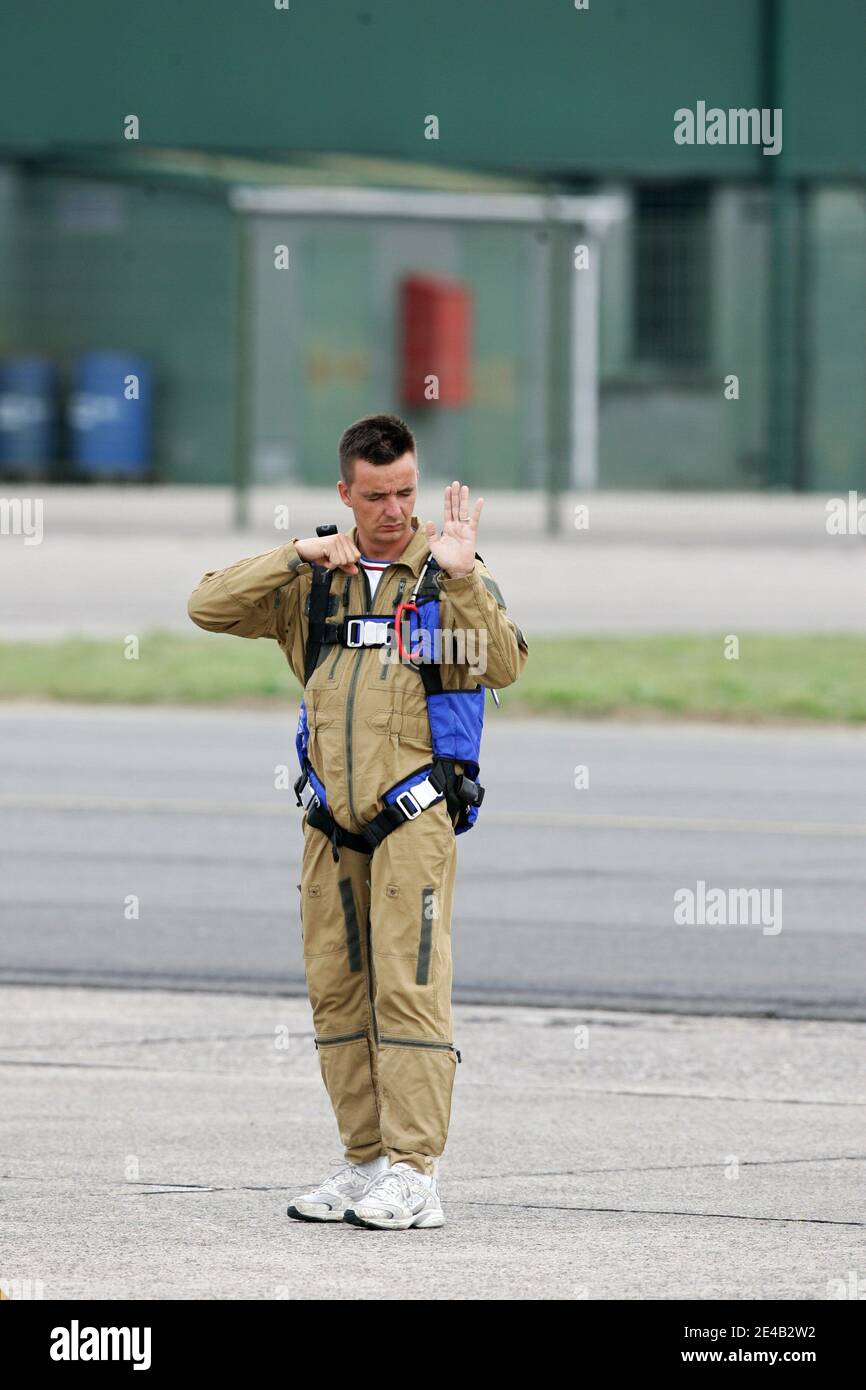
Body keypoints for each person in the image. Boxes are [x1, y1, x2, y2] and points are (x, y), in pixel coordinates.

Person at [187, 414, 528, 1230]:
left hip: (413, 814)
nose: (393, 509)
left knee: (407, 992)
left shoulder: (445, 579)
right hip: (327, 822)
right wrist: (293, 554)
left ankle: (416, 1174)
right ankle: (366, 1161)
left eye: (406, 492)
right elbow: (205, 605)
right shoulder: (314, 584)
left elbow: (505, 665)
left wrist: (467, 575)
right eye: (375, 495)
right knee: (337, 995)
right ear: (345, 493)